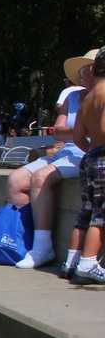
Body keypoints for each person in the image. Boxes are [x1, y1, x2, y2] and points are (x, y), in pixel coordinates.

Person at [8, 49, 97, 269]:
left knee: (41, 177)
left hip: (85, 154)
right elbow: (57, 131)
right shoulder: (73, 96)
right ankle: (22, 242)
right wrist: (82, 130)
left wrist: (75, 131)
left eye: (89, 69)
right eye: (82, 70)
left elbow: (73, 131)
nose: (83, 74)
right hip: (66, 152)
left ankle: (42, 247)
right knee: (15, 181)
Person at [69, 47, 105, 284]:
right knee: (101, 216)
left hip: (90, 159)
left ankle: (71, 261)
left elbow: (78, 137)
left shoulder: (89, 96)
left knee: (86, 212)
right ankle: (89, 263)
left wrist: (93, 149)